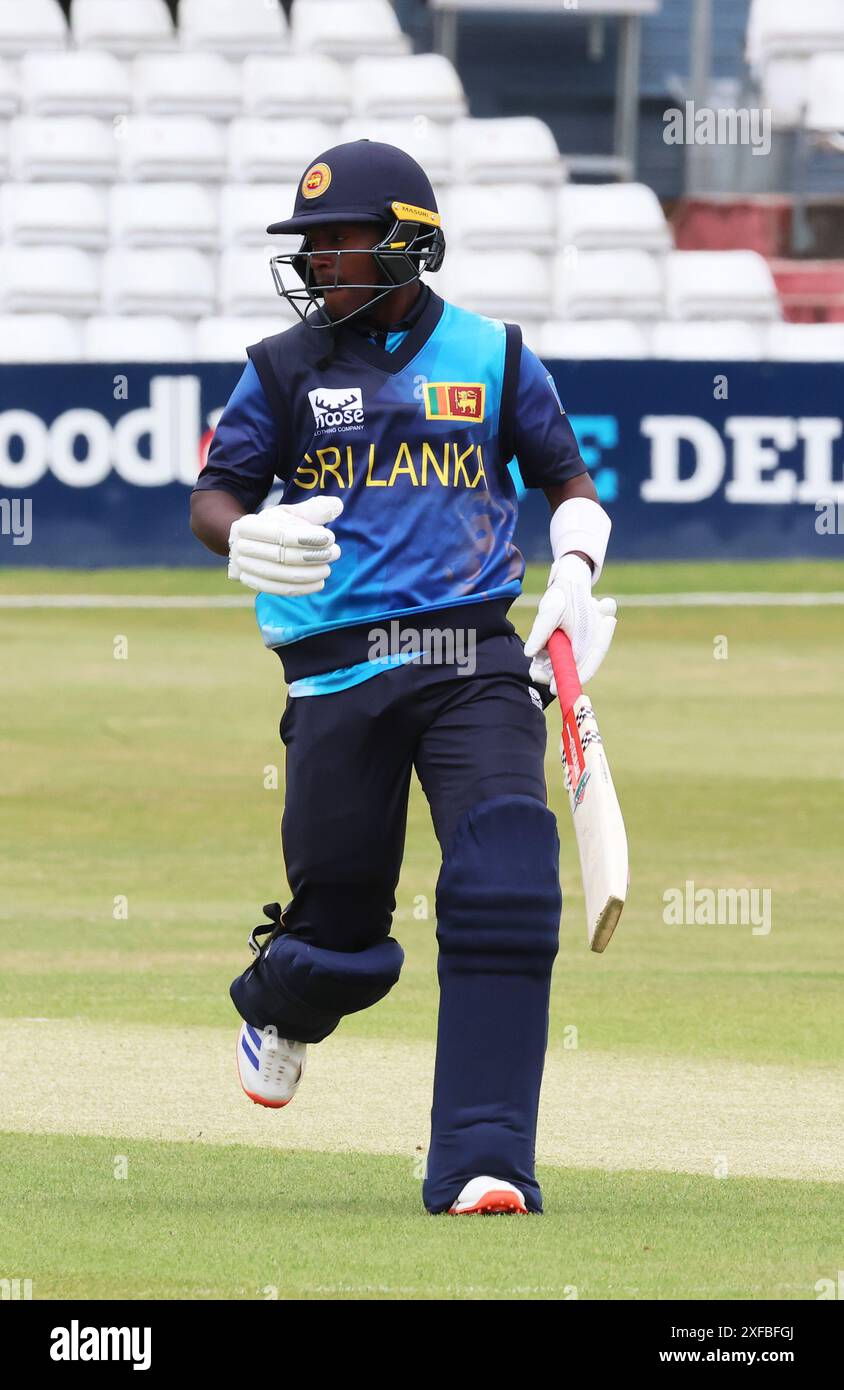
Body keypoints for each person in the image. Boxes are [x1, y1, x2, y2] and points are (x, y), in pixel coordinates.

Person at [190, 140, 617, 1216]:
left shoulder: (493, 353)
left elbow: (569, 482)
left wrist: (573, 568)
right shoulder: (283, 366)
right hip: (336, 669)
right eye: (312, 243)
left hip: (472, 654)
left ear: (408, 244)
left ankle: (483, 1158)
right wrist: (242, 537)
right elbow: (214, 494)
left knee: (510, 873)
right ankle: (278, 999)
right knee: (343, 941)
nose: (321, 260)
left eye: (342, 240)